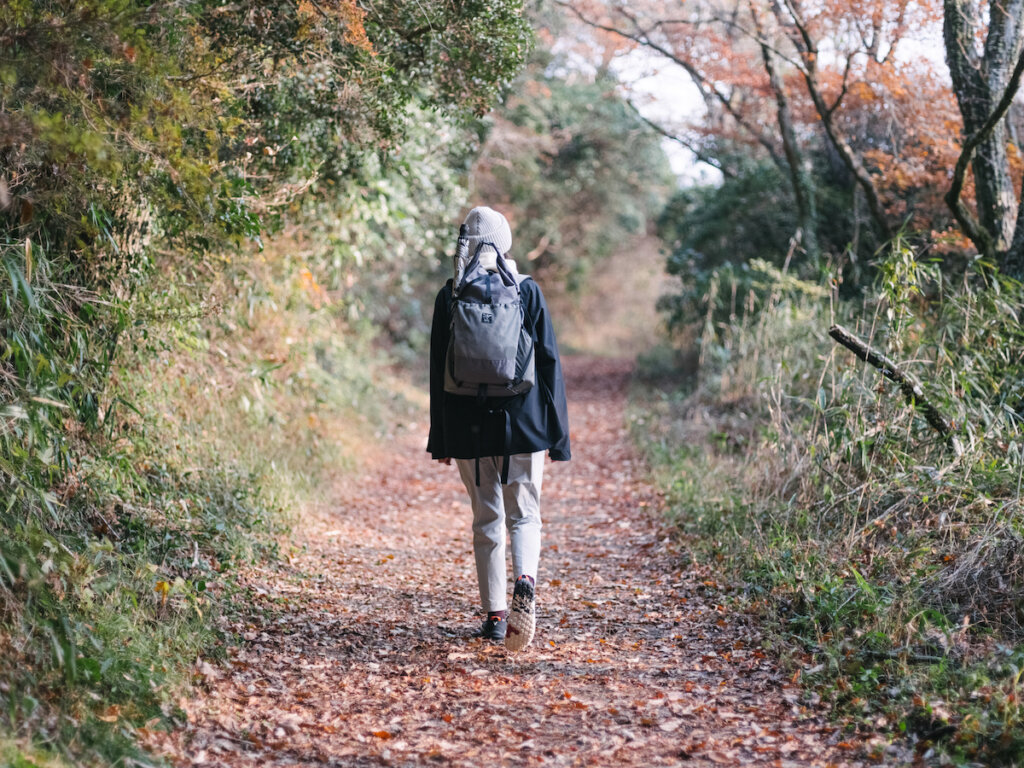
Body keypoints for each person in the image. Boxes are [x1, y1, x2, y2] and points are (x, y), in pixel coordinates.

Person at [427, 206, 571, 651]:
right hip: (523, 422)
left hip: (467, 423)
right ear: (505, 241)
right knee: (525, 513)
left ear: (464, 242)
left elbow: (437, 371)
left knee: (486, 517)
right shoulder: (527, 291)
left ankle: (494, 616)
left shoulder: (450, 294)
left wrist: (441, 437)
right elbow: (548, 363)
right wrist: (557, 435)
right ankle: (525, 580)